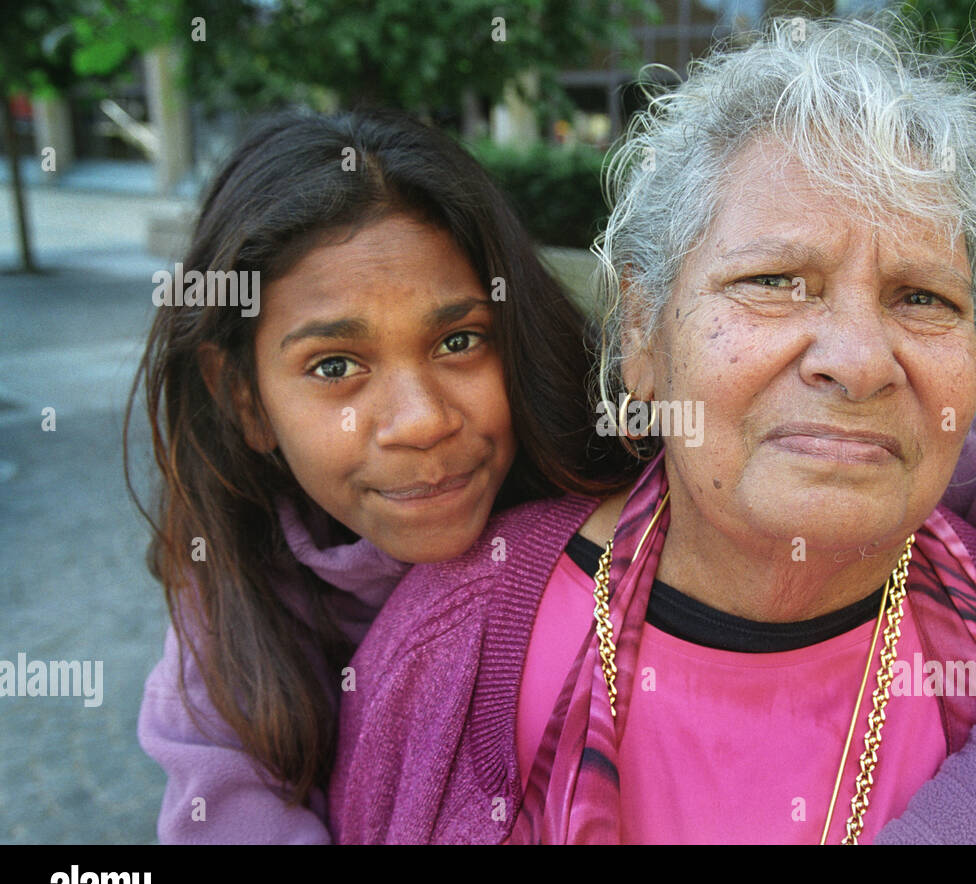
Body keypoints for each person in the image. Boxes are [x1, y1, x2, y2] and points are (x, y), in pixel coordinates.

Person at [329, 20, 976, 844]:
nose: (858, 359)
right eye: (774, 279)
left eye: (923, 297)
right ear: (643, 337)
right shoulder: (459, 640)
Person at [131, 110, 638, 843]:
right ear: (247, 401)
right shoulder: (226, 608)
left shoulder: (619, 537)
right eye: (335, 366)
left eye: (458, 341)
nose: (421, 420)